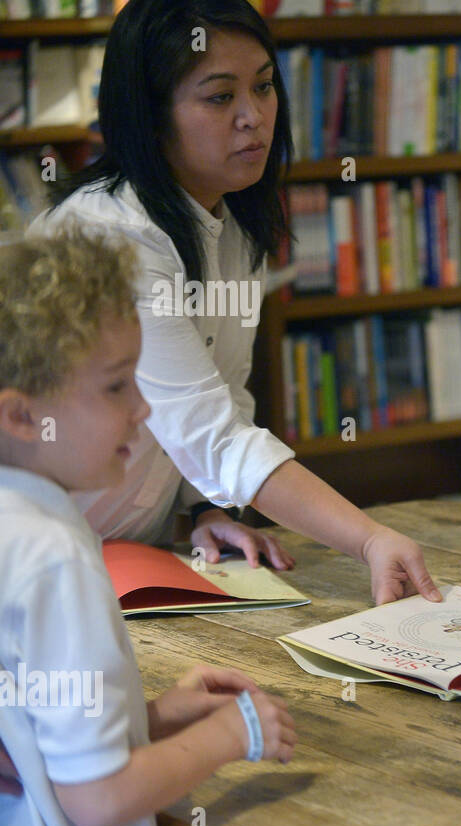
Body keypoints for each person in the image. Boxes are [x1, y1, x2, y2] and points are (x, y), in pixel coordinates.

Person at [28, 0, 440, 606]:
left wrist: (201, 509)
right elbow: (212, 435)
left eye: (265, 86)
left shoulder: (236, 222)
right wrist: (368, 538)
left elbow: (222, 394)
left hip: (122, 561)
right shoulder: (111, 236)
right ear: (151, 115)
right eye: (220, 97)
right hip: (34, 569)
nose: (254, 117)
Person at [0, 231, 295, 826]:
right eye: (115, 387)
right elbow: (97, 797)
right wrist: (227, 734)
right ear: (22, 416)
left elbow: (38, 728)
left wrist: (152, 719)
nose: (143, 408)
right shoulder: (53, 556)